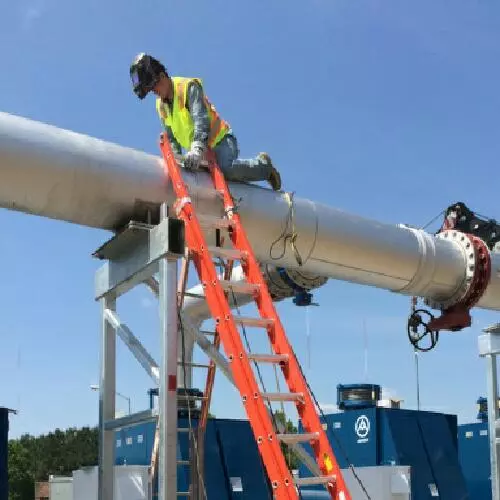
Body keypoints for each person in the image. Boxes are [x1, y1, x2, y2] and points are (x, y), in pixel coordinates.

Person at [129, 53, 281, 191]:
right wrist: (176, 161)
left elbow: (201, 118)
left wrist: (196, 149)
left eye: (154, 87)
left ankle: (264, 167)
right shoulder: (161, 105)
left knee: (225, 170)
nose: (154, 93)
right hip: (200, 153)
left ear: (162, 76)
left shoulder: (187, 87)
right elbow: (172, 137)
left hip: (220, 141)